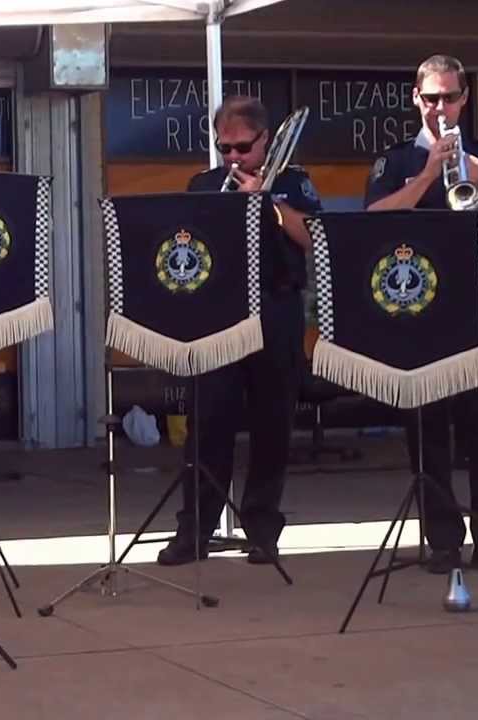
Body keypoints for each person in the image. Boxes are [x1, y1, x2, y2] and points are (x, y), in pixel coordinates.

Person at [364, 54, 478, 575]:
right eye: (432, 98)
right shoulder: (396, 161)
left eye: (451, 97)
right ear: (417, 99)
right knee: (429, 431)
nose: (441, 107)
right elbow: (372, 219)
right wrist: (430, 171)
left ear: (465, 99)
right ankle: (442, 540)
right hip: (421, 313)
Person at [157, 95, 321, 567]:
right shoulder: (204, 184)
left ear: (265, 140)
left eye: (242, 148)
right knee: (208, 424)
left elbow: (313, 238)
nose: (232, 158)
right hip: (218, 315)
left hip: (276, 309)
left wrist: (265, 201)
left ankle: (262, 529)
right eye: (224, 148)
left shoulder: (293, 182)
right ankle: (195, 530)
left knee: (272, 424)